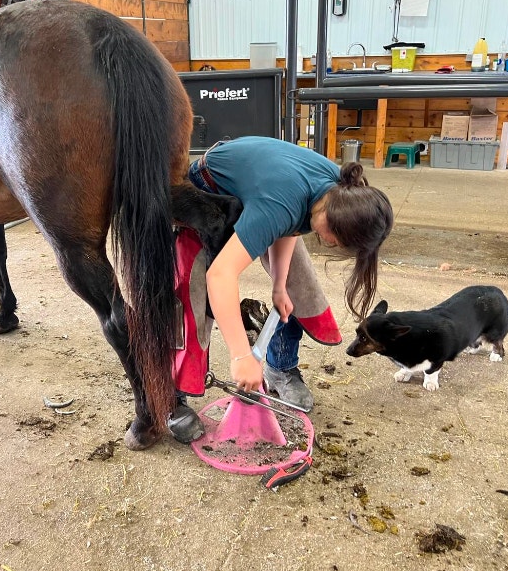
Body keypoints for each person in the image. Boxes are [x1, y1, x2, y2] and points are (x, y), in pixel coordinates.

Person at [167, 136, 393, 444]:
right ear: (332, 218)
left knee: (299, 284)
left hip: (267, 194)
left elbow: (292, 227)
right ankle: (173, 394)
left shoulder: (339, 192)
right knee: (193, 290)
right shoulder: (284, 204)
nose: (332, 245)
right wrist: (240, 356)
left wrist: (278, 285)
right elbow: (221, 275)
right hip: (207, 191)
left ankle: (281, 368)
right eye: (336, 240)